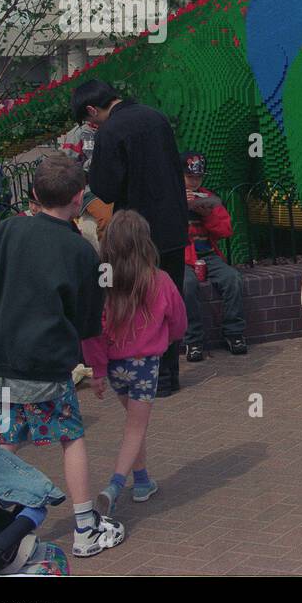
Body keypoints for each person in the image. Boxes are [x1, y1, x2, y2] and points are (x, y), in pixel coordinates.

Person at [0, 153, 125, 557]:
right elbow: (89, 323)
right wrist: (99, 371)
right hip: (48, 364)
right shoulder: (81, 252)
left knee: (3, 443)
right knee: (70, 438)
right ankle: (85, 529)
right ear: (78, 198)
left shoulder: (4, 233)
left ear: (34, 193)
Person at [73, 79, 188, 397]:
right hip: (174, 225)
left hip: (137, 234)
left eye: (87, 119)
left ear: (93, 110)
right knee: (168, 296)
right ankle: (168, 377)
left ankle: (145, 377)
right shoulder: (156, 117)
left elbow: (106, 188)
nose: (90, 124)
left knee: (143, 302)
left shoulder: (110, 131)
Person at [82, 210, 187, 515]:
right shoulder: (160, 279)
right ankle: (114, 486)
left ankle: (141, 481)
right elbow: (179, 322)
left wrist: (98, 372)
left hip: (115, 365)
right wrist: (166, 340)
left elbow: (93, 332)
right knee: (135, 427)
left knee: (133, 425)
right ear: (145, 243)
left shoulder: (104, 281)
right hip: (145, 364)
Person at [178, 151, 248, 360]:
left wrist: (207, 214)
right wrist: (181, 205)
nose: (194, 182)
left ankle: (234, 333)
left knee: (232, 279)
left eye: (198, 177)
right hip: (184, 257)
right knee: (187, 285)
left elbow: (225, 231)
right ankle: (194, 340)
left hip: (208, 254)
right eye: (190, 177)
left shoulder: (208, 196)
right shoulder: (171, 196)